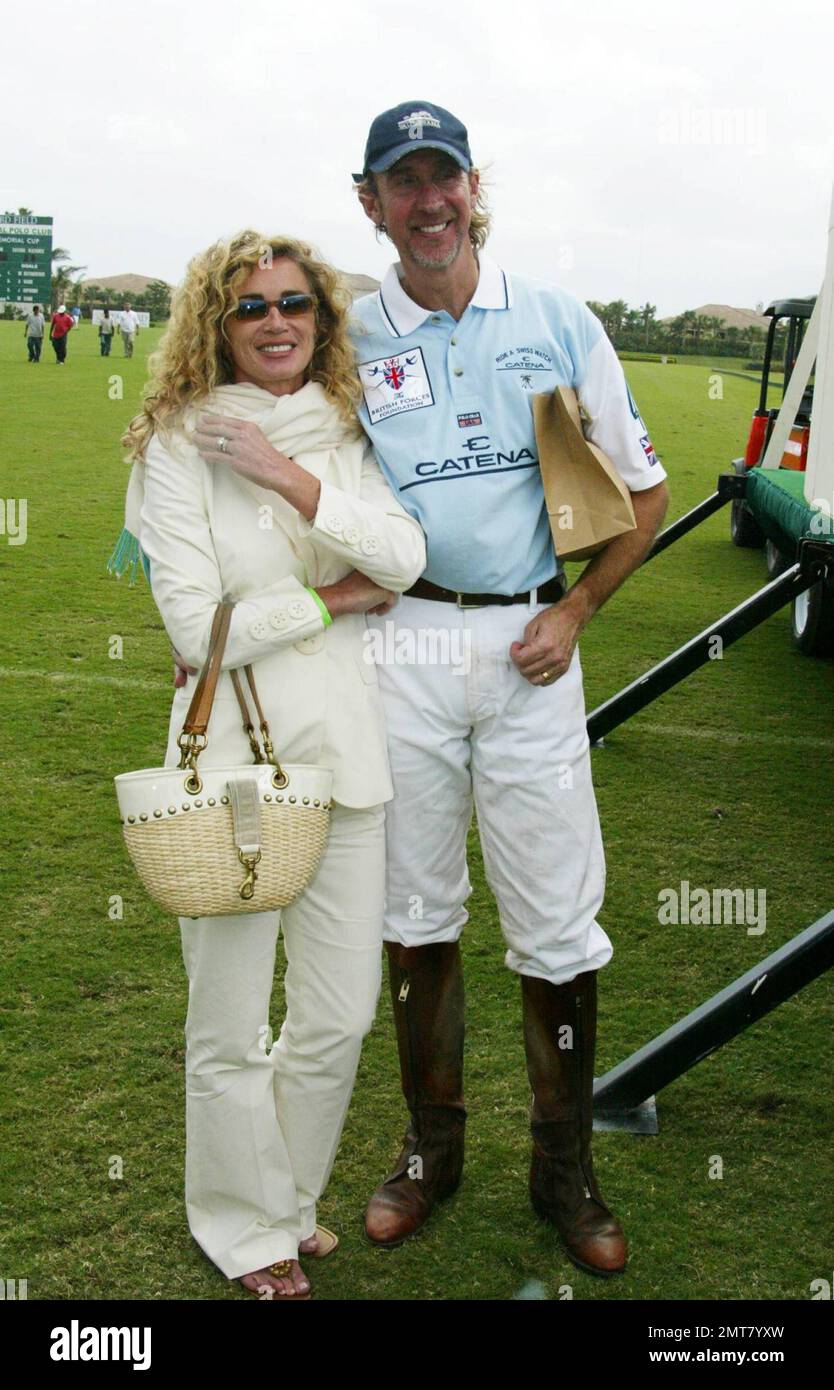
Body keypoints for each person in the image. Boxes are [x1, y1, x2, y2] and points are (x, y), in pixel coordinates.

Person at [349, 101, 670, 1276]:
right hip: (404, 646)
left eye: (446, 179)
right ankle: (432, 1151)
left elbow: (643, 499)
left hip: (534, 643)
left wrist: (578, 610)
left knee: (556, 925)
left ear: (475, 188)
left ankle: (563, 1166)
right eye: (403, 182)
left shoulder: (553, 320)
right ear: (370, 201)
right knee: (412, 915)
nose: (428, 201)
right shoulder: (344, 334)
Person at [117, 230, 426, 1298]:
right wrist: (334, 600)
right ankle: (240, 1229)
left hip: (346, 759)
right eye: (252, 307)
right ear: (218, 323)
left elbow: (408, 555)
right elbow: (199, 629)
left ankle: (287, 1205)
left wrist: (291, 480)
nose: (278, 321)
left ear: (323, 319)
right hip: (234, 769)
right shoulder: (176, 441)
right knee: (231, 1020)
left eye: (297, 302)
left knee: (337, 1012)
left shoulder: (343, 431)